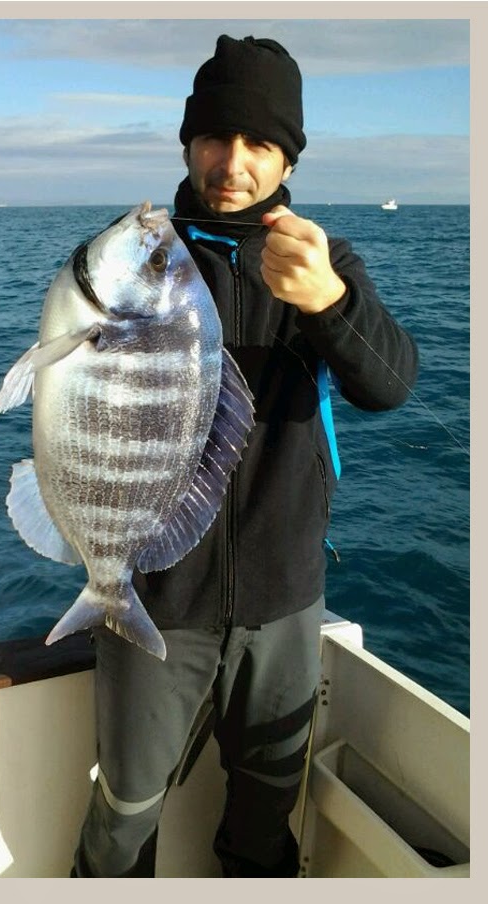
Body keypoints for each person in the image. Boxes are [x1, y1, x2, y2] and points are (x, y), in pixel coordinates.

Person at [70, 34, 419, 878]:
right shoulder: (130, 263)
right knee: (123, 820)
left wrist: (328, 303)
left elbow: (389, 385)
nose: (233, 162)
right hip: (155, 594)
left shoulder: (324, 261)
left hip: (284, 598)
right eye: (214, 137)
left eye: (260, 142)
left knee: (265, 815)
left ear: (288, 157)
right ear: (187, 144)